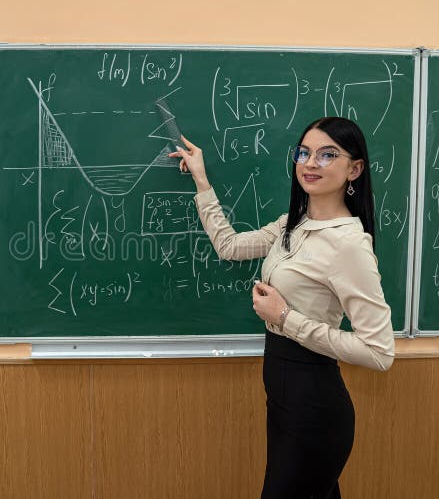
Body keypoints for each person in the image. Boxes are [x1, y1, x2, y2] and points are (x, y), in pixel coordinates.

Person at [169, 117, 395, 499]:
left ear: (354, 169)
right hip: (283, 393)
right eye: (304, 153)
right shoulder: (293, 224)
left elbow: (379, 352)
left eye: (328, 155)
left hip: (314, 404)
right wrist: (202, 181)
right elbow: (230, 246)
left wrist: (286, 319)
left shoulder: (349, 245)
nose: (310, 163)